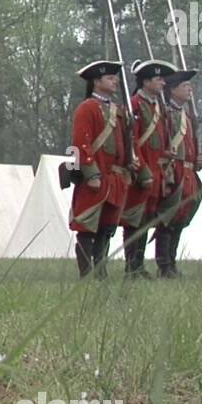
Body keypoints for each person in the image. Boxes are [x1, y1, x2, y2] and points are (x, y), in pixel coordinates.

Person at [69, 61, 129, 279]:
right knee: (87, 226)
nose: (115, 81)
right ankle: (86, 273)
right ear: (96, 81)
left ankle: (101, 271)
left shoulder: (116, 110)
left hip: (114, 177)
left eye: (115, 78)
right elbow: (80, 142)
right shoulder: (87, 108)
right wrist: (91, 173)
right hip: (95, 176)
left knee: (107, 226)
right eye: (110, 78)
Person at [120, 60, 177, 279]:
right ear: (146, 81)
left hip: (157, 171)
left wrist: (166, 152)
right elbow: (131, 140)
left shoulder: (157, 107)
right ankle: (131, 267)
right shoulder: (134, 104)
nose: (163, 82)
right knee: (135, 220)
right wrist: (143, 170)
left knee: (147, 220)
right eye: (158, 79)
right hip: (140, 172)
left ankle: (139, 265)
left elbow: (157, 142)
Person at [156, 69, 202, 278]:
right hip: (173, 172)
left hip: (187, 173)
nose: (190, 89)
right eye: (185, 86)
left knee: (180, 219)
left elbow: (191, 149)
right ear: (173, 89)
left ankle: (172, 263)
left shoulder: (186, 116)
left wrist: (199, 160)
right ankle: (164, 265)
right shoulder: (165, 113)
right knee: (167, 220)